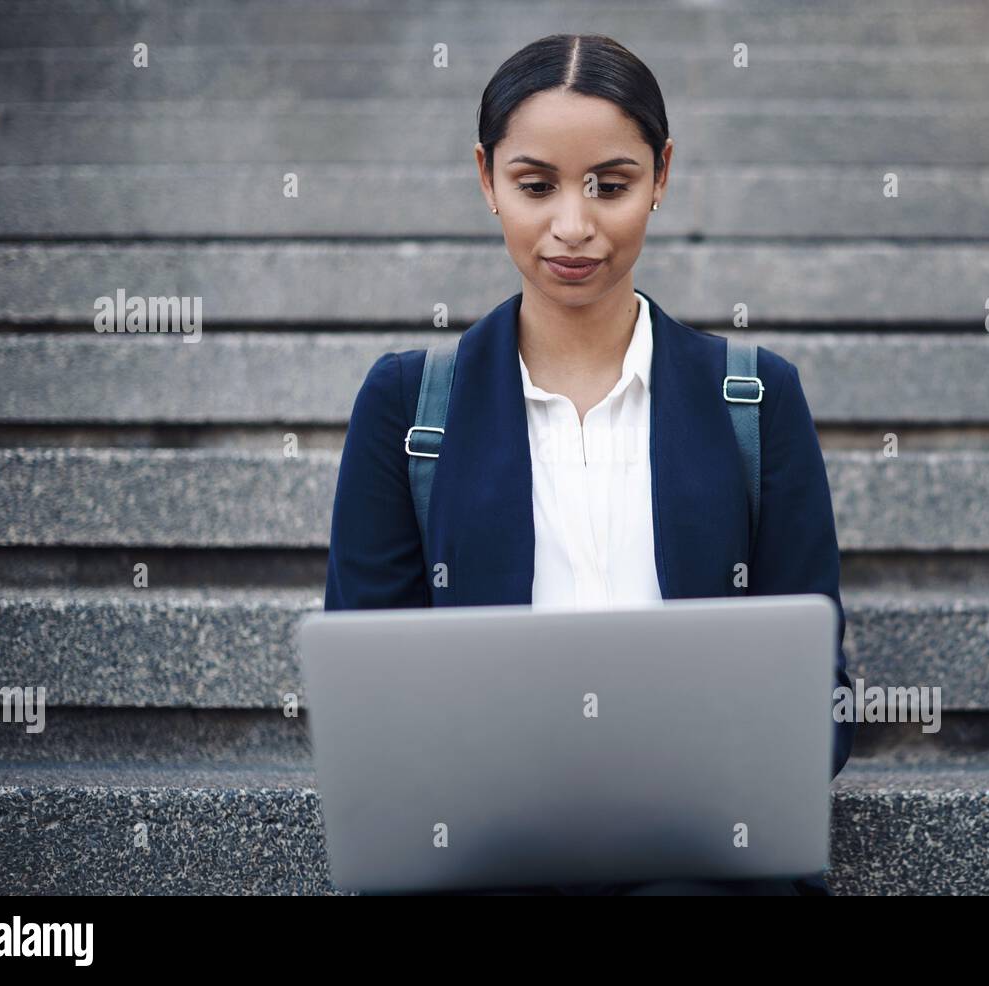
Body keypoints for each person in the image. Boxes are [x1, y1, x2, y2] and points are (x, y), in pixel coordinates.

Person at [326, 33, 852, 896]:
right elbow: (368, 688)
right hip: (479, 858)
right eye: (536, 185)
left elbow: (815, 690)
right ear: (486, 179)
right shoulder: (405, 406)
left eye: (612, 185)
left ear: (663, 175)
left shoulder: (755, 399)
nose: (574, 225)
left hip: (703, 861)